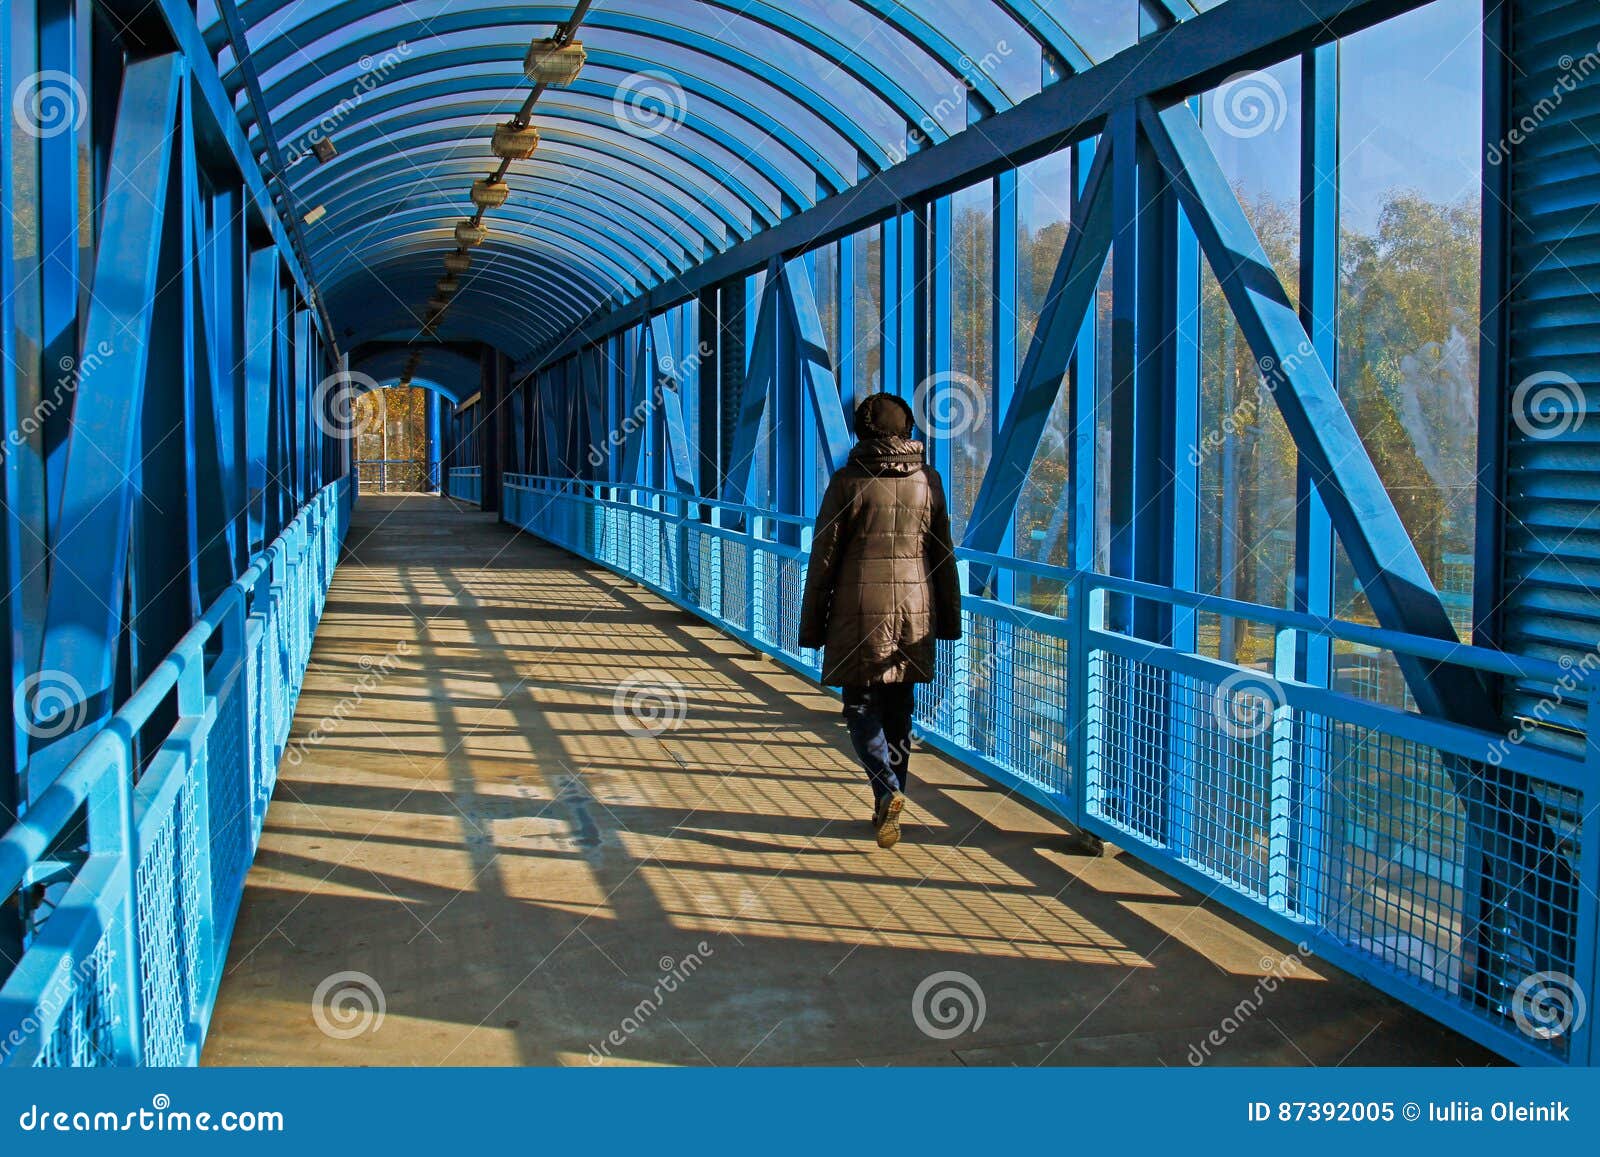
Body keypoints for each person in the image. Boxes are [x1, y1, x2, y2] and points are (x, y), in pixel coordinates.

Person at [799, 392, 961, 849]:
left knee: (859, 705)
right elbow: (942, 555)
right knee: (899, 711)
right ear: (907, 428)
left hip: (858, 609)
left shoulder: (847, 481)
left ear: (862, 431)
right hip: (915, 609)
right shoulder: (929, 480)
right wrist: (948, 619)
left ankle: (885, 791)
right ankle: (890, 801)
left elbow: (823, 560)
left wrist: (811, 626)